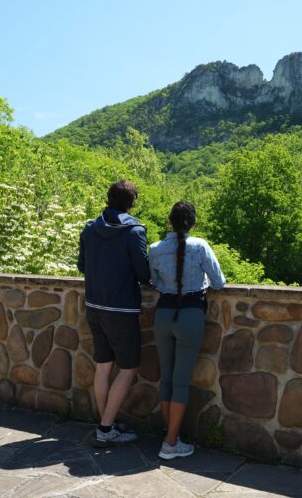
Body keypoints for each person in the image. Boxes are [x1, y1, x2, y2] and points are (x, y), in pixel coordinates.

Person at [149, 200, 225, 460]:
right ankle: (170, 443)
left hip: (163, 315)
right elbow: (219, 282)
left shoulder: (155, 249)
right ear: (192, 224)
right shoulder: (200, 246)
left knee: (167, 380)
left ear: (169, 222)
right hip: (191, 315)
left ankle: (170, 438)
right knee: (181, 383)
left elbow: (155, 282)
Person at [77, 180, 150, 447]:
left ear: (108, 199)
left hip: (94, 306)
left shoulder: (90, 228)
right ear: (131, 202)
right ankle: (106, 429)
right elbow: (143, 273)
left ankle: (104, 424)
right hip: (122, 309)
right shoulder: (134, 231)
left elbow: (82, 265)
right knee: (128, 368)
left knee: (103, 367)